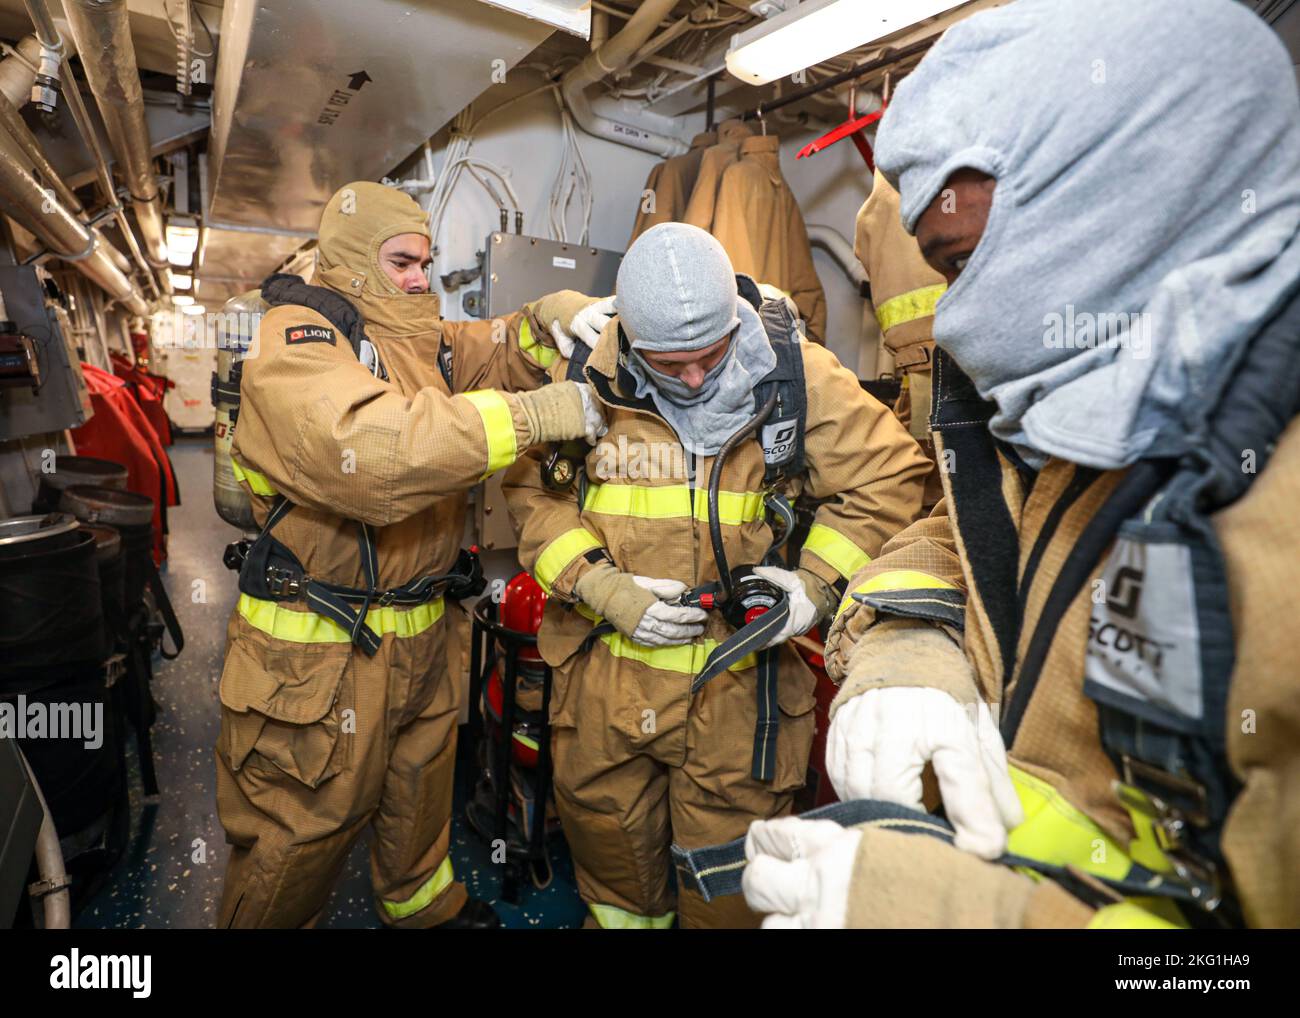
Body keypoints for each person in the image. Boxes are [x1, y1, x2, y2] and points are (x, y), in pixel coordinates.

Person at [741, 0, 1300, 929]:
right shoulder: (1073, 402)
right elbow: (957, 532)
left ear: (1115, 188)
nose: (954, 324)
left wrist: (963, 916)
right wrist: (909, 647)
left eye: (962, 264)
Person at [503, 222, 930, 928]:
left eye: (712, 355)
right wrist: (602, 586)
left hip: (742, 703)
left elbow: (892, 477)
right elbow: (531, 496)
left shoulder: (798, 375)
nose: (697, 379)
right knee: (616, 902)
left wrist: (816, 585)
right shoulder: (584, 374)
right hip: (604, 697)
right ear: (632, 341)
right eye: (671, 365)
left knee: (731, 905)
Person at [215, 180, 608, 929]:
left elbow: (494, 349)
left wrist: (547, 317)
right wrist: (532, 418)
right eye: (403, 263)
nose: (421, 280)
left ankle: (424, 910)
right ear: (358, 260)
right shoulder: (299, 340)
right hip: (319, 656)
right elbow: (373, 455)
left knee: (418, 799)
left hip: (425, 632)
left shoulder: (417, 338)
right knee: (299, 836)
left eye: (427, 263)